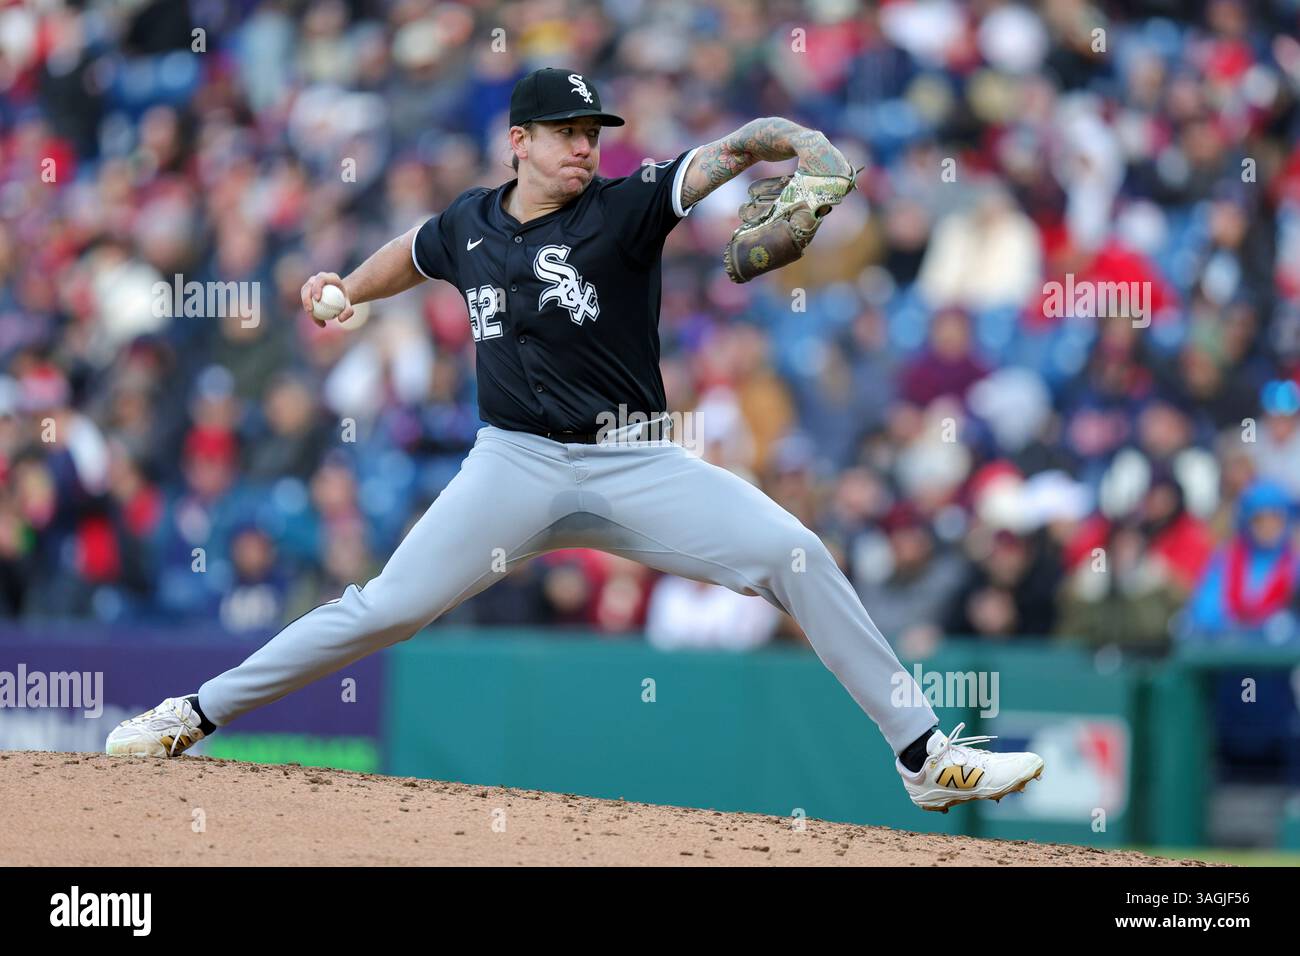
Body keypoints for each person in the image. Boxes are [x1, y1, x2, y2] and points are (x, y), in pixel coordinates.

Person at [105, 68, 1043, 812]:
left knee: (794, 552)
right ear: (519, 141)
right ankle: (193, 712)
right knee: (386, 607)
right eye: (567, 134)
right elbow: (415, 248)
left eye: (594, 134)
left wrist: (790, 142)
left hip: (636, 458)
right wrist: (349, 286)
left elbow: (723, 155)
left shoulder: (625, 210)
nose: (586, 148)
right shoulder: (471, 222)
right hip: (512, 463)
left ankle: (924, 754)